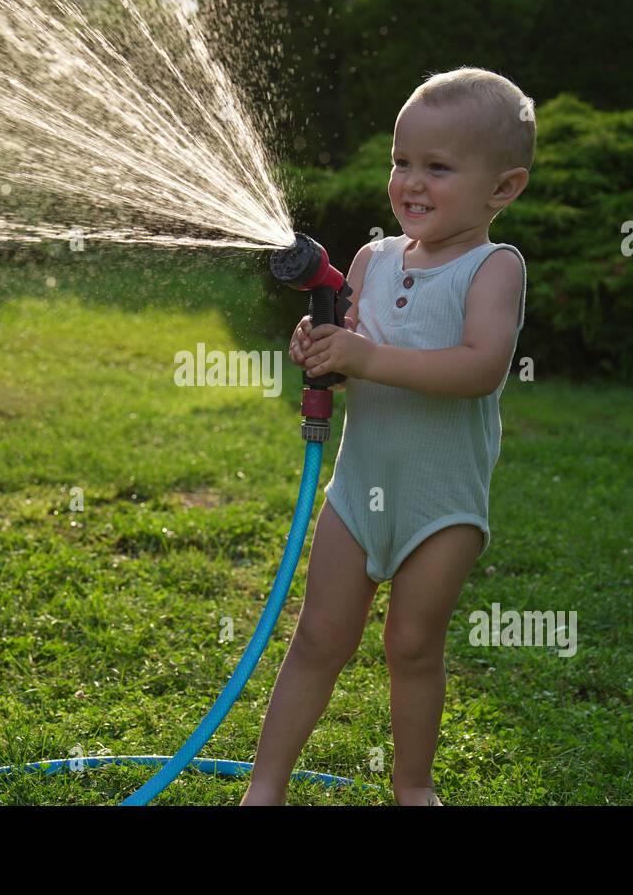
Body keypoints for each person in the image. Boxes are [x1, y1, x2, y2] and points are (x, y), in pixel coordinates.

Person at [241, 66, 533, 806]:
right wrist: (323, 343)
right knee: (318, 638)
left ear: (502, 189)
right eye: (403, 161)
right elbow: (356, 345)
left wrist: (369, 355)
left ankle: (413, 786)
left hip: (442, 506)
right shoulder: (370, 260)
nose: (412, 181)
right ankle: (264, 789)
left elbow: (480, 368)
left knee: (410, 646)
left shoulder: (493, 268)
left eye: (439, 167)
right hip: (356, 492)